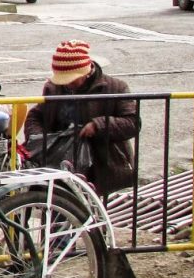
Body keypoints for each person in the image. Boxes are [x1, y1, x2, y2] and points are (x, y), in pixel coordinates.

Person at [24, 40, 140, 195]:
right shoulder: (54, 88)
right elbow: (36, 116)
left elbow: (132, 123)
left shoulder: (116, 88)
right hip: (61, 167)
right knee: (62, 212)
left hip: (103, 169)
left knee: (103, 214)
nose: (68, 83)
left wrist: (98, 126)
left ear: (86, 71)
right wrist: (39, 138)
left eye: (71, 78)